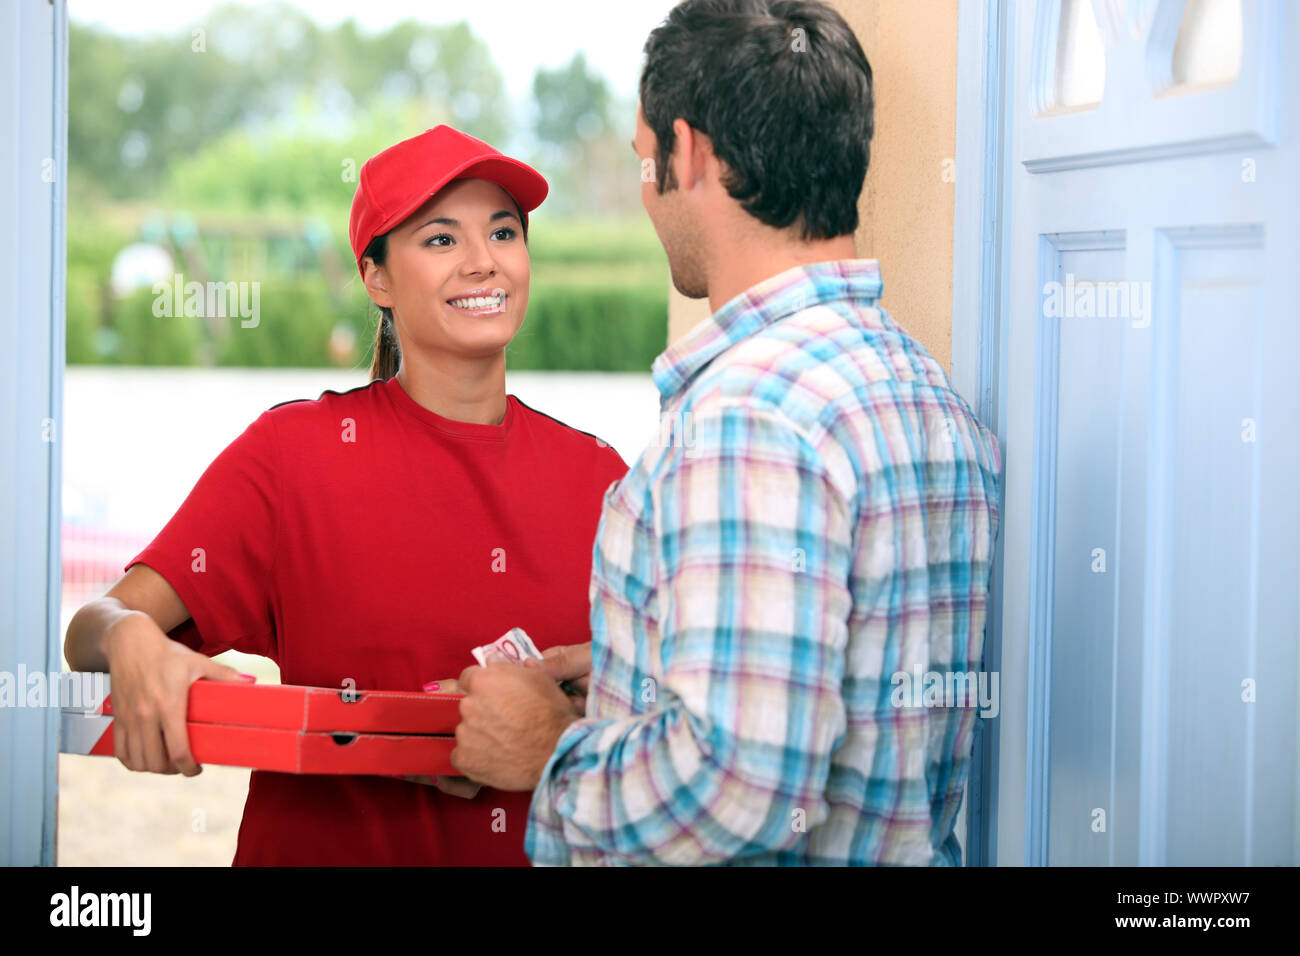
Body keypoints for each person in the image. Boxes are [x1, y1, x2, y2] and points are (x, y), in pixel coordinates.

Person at [449, 0, 1003, 866]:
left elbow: (738, 788)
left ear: (690, 151)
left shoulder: (746, 421)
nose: (647, 193)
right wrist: (643, 672)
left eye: (644, 161)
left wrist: (552, 748)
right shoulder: (925, 393)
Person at [63, 125, 628, 866]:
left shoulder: (600, 476)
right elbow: (93, 627)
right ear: (377, 278)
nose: (484, 261)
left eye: (503, 231)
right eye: (439, 240)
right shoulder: (293, 455)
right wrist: (128, 639)